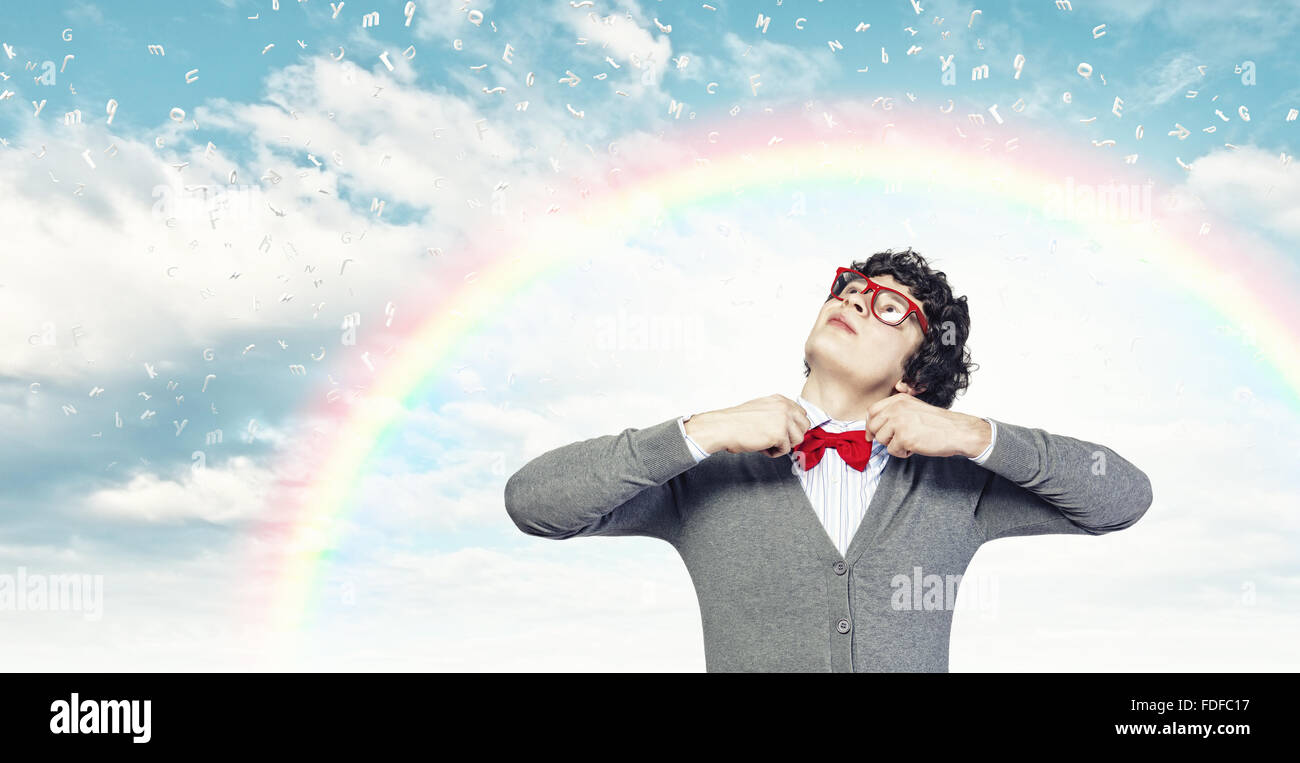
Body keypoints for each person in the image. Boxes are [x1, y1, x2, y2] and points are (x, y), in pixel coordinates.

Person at [504, 247, 1153, 672]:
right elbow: (533, 503)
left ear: (915, 377)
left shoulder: (958, 484)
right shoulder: (709, 469)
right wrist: (699, 430)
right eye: (850, 287)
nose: (853, 300)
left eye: (888, 307)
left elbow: (1123, 497)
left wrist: (975, 434)